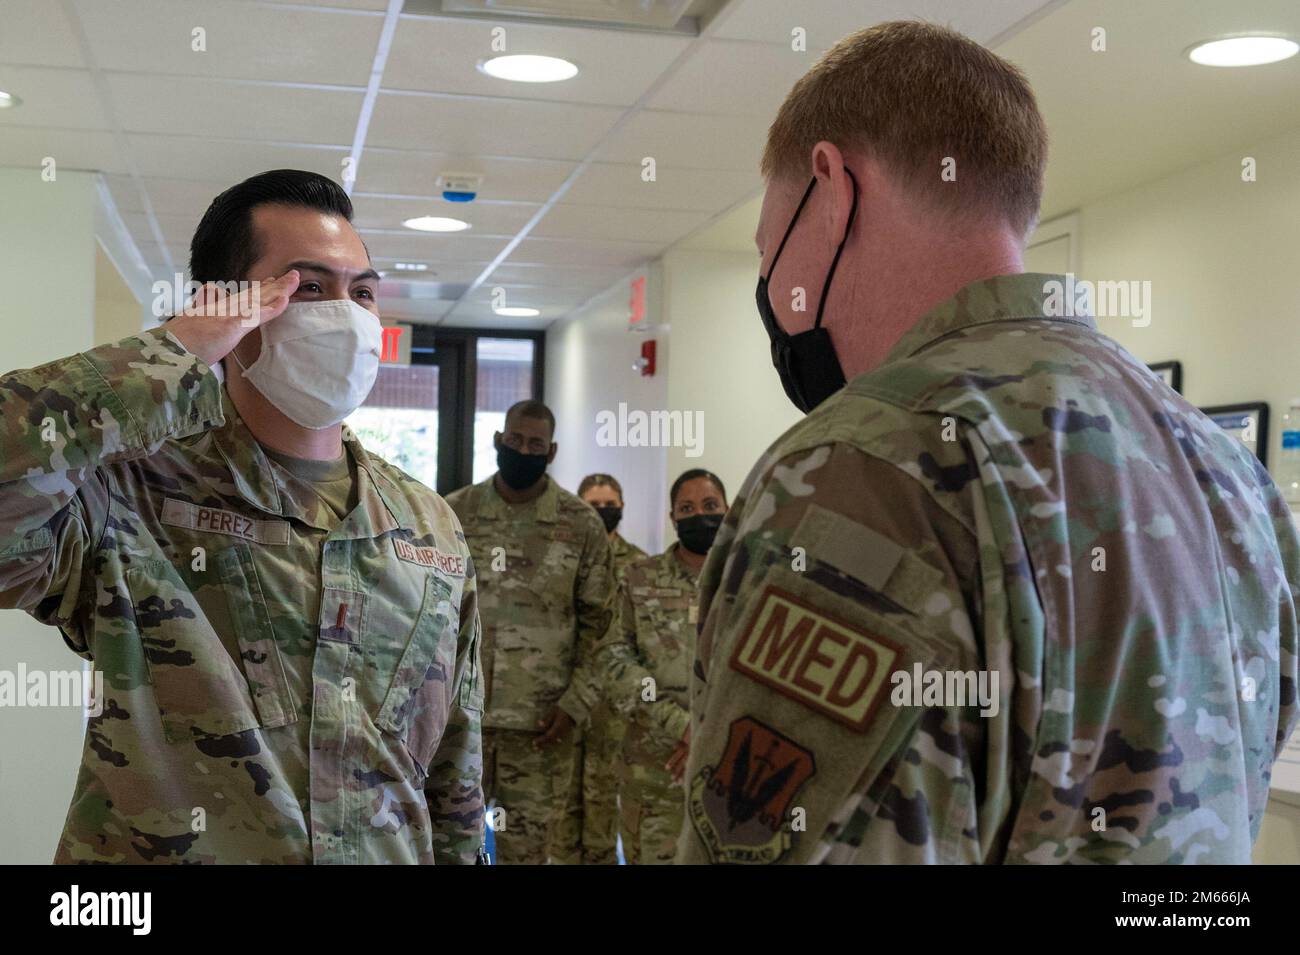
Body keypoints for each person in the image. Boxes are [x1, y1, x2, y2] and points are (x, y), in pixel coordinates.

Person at [677, 21, 1300, 865]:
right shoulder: (1228, 475)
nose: (775, 296)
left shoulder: (861, 468)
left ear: (831, 187)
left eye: (768, 245)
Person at [0, 169, 484, 864]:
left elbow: (456, 767)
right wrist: (177, 350)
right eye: (310, 288)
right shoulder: (127, 494)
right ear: (231, 307)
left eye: (364, 292)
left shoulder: (428, 525)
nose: (349, 316)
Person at [446, 402, 614, 864]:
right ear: (499, 441)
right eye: (515, 441)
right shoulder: (454, 513)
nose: (523, 451)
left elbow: (603, 625)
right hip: (462, 724)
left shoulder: (580, 526)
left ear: (552, 451)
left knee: (529, 854)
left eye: (535, 445)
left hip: (543, 730)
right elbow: (432, 612)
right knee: (449, 848)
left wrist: (575, 704)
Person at [603, 469, 726, 864]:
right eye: (686, 508)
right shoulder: (639, 578)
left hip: (730, 764)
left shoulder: (749, 578)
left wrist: (708, 733)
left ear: (728, 511)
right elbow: (615, 659)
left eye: (710, 506)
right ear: (673, 518)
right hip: (655, 770)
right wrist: (682, 726)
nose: (699, 515)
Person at [567, 473, 647, 864]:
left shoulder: (641, 568)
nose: (602, 512)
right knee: (562, 813)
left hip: (613, 709)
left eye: (609, 504)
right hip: (565, 701)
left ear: (622, 507)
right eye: (592, 505)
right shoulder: (565, 555)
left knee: (602, 810)